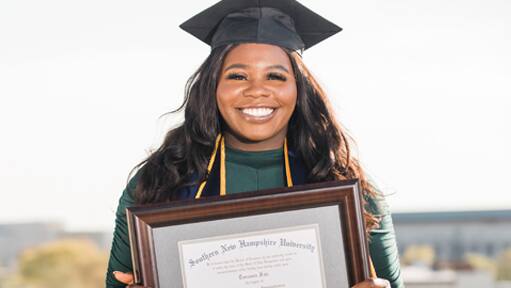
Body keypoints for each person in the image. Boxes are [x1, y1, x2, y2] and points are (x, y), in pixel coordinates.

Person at [106, 0, 404, 287]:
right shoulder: (158, 184)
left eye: (275, 76)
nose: (257, 90)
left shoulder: (352, 190)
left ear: (298, 89)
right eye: (237, 76)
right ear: (213, 87)